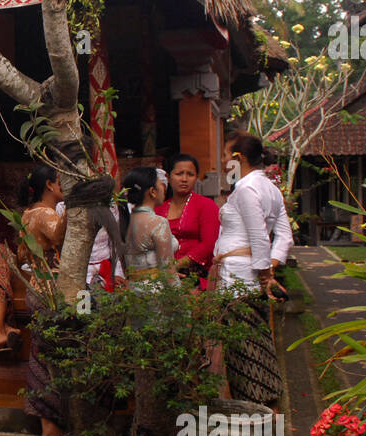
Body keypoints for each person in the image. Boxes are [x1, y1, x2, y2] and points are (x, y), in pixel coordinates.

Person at [213, 131, 294, 405]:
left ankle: (254, 410)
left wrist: (264, 273)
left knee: (244, 349)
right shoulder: (270, 188)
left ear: (238, 158)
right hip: (247, 274)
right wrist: (268, 267)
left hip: (239, 277)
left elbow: (260, 235)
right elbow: (284, 238)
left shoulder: (247, 188)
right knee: (254, 345)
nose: (223, 162)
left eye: (225, 155)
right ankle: (263, 407)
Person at [17, 165, 67, 436]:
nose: (63, 187)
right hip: (48, 289)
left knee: (42, 355)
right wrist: (74, 205)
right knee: (51, 357)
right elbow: (59, 236)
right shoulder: (44, 214)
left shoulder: (28, 213)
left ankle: (49, 426)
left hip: (36, 286)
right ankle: (49, 428)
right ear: (50, 184)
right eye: (61, 182)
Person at [155, 153, 220, 290]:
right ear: (168, 177)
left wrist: (176, 266)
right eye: (179, 174)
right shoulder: (159, 208)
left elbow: (208, 244)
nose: (184, 179)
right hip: (162, 273)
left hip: (196, 273)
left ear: (196, 177)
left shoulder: (206, 205)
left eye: (190, 174)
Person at [121, 167, 178, 289]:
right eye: (161, 184)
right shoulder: (157, 223)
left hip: (133, 290)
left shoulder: (124, 221)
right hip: (155, 291)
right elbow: (167, 269)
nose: (164, 187)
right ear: (153, 191)